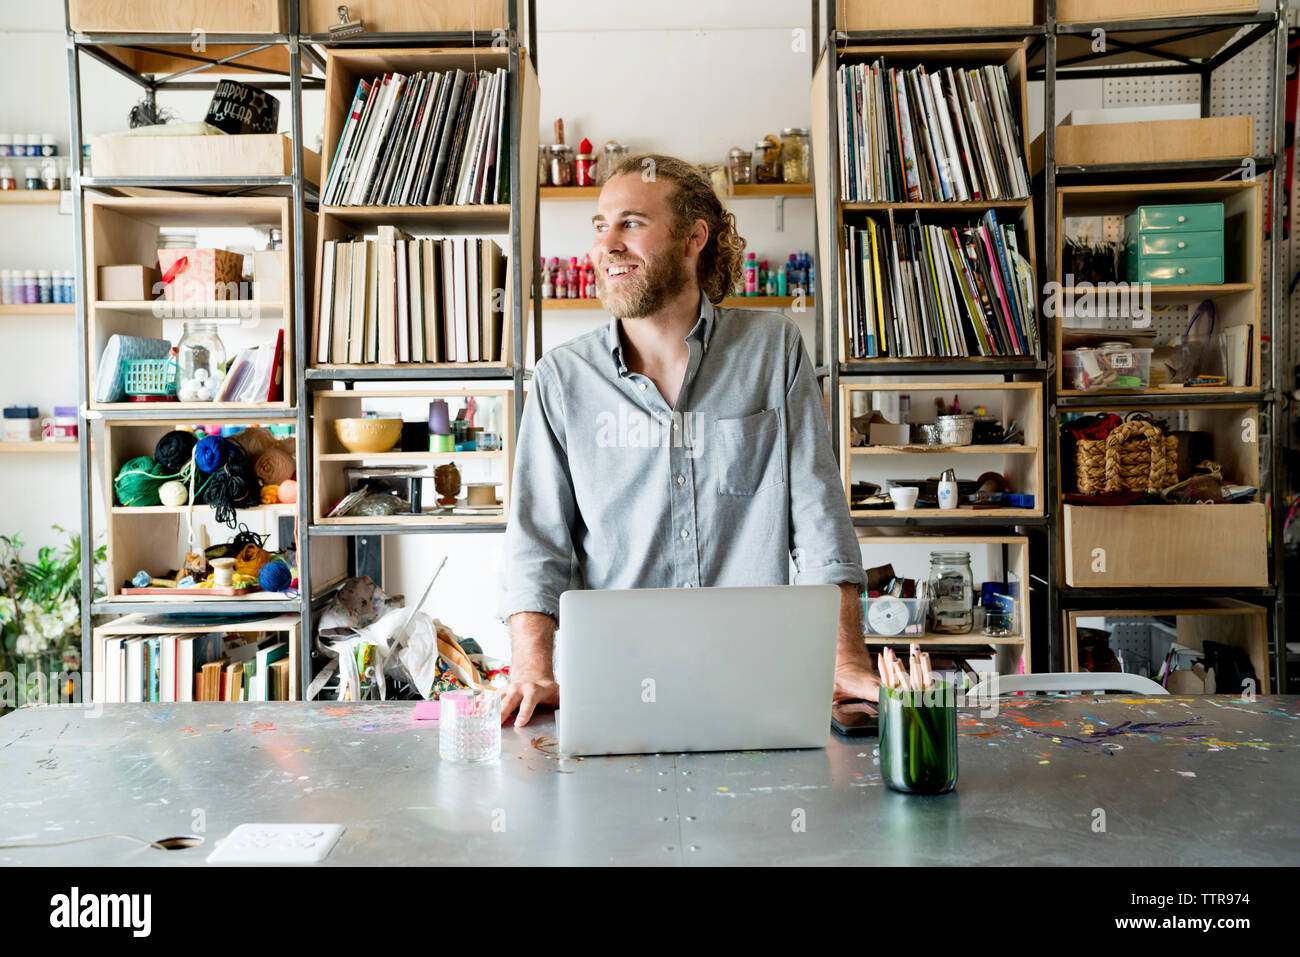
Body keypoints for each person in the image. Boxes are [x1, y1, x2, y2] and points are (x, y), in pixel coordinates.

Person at [499, 153, 878, 727]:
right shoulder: (561, 379)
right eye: (601, 227)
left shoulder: (773, 350)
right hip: (613, 689)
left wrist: (845, 657)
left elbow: (819, 513)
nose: (607, 245)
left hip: (759, 683)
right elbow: (537, 543)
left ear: (693, 238)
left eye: (631, 222)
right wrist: (532, 668)